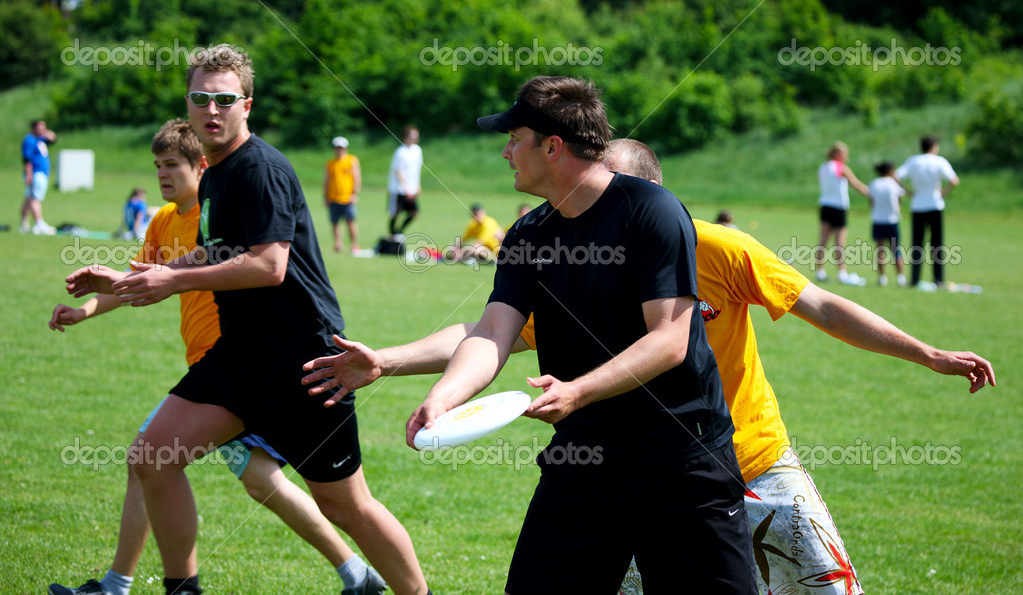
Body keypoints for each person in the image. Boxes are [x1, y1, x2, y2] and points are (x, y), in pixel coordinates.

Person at [304, 138, 995, 595]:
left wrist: (927, 353)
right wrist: (387, 360)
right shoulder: (579, 262)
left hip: (754, 461)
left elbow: (823, 306)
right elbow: (491, 333)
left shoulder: (719, 248)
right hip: (640, 478)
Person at [63, 45, 430, 595]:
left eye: (225, 100)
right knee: (153, 457)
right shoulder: (215, 174)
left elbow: (268, 265)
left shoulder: (259, 167)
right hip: (241, 355)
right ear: (188, 103)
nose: (211, 109)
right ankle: (182, 590)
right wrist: (133, 278)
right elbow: (216, 251)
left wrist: (173, 281)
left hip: (304, 362)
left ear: (247, 105)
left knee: (345, 505)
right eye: (200, 98)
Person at [381, 76, 757, 593]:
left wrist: (577, 391)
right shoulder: (528, 235)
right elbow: (493, 331)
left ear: (552, 147)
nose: (506, 152)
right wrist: (445, 397)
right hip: (583, 460)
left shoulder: (651, 211)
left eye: (515, 139)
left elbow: (669, 340)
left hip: (681, 462)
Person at [896, 136, 960, 291]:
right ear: (934, 146)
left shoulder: (913, 161)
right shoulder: (939, 161)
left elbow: (896, 176)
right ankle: (938, 279)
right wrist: (943, 192)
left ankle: (915, 279)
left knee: (917, 244)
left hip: (918, 205)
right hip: (935, 204)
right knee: (936, 244)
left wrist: (908, 191)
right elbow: (954, 181)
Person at [815, 142, 869, 286]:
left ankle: (819, 271)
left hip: (825, 205)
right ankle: (842, 273)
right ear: (836, 154)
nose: (846, 156)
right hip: (838, 207)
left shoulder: (823, 167)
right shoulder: (841, 167)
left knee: (823, 240)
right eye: (843, 153)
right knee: (840, 242)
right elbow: (856, 184)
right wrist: (871, 193)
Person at [868, 161, 907, 287]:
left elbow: (871, 202)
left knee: (880, 249)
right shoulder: (894, 184)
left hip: (878, 220)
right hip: (892, 220)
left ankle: (882, 277)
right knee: (896, 249)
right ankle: (901, 277)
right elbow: (899, 200)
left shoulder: (874, 184)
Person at [324, 135, 361, 253]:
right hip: (333, 197)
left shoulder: (352, 160)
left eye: (341, 148)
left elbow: (356, 177)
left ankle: (354, 244)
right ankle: (338, 243)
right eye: (337, 148)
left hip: (347, 198)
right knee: (335, 222)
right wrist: (326, 196)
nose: (339, 150)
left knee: (350, 221)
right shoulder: (330, 163)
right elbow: (327, 180)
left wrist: (354, 193)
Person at [20, 119, 57, 235]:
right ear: (33, 128)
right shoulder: (29, 140)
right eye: (39, 127)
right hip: (35, 173)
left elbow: (53, 138)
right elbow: (27, 159)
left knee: (29, 198)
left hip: (41, 173)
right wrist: (29, 174)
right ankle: (39, 223)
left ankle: (24, 224)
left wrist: (44, 132)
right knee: (35, 199)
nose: (42, 130)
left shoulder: (40, 139)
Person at [387, 124, 423, 236]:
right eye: (412, 136)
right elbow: (398, 171)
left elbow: (416, 170)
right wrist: (406, 188)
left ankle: (399, 232)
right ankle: (393, 235)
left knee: (414, 212)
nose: (415, 139)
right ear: (405, 137)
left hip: (412, 189)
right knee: (396, 213)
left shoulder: (417, 150)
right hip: (398, 189)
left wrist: (417, 185)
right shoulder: (400, 152)